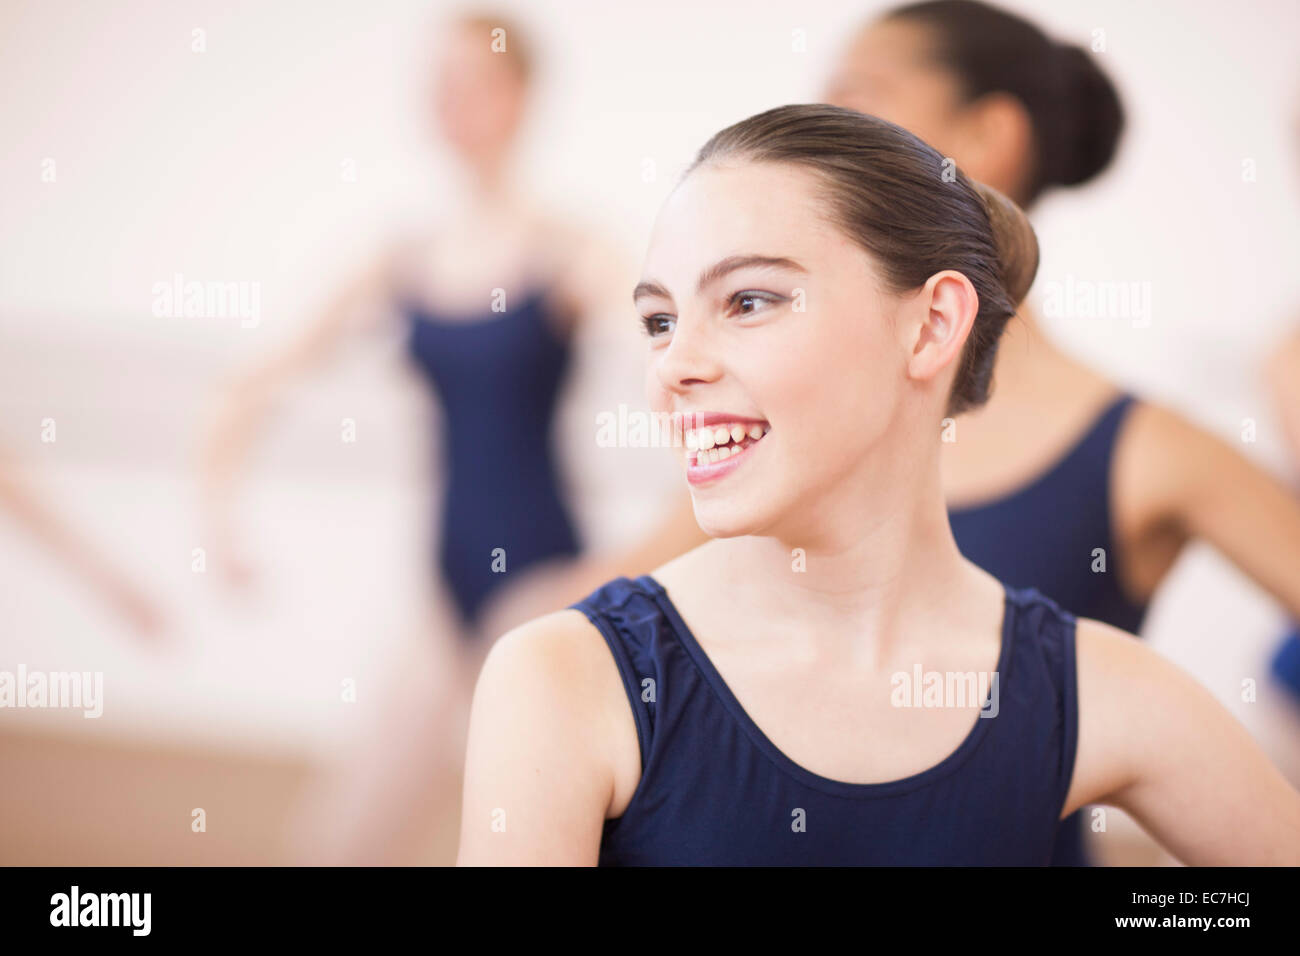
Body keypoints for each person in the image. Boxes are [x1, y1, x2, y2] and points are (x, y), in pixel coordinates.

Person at [456, 104, 1300, 865]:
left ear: (932, 326)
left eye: (749, 302)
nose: (672, 367)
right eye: (659, 321)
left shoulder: (1092, 688)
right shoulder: (562, 680)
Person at [200, 11, 688, 864]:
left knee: (528, 837)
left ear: (522, 98)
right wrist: (219, 518)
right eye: (441, 84)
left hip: (538, 577)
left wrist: (652, 550)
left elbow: (679, 373)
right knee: (339, 841)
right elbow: (250, 382)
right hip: (440, 581)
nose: (454, 103)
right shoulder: (403, 255)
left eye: (476, 83)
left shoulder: (571, 250)